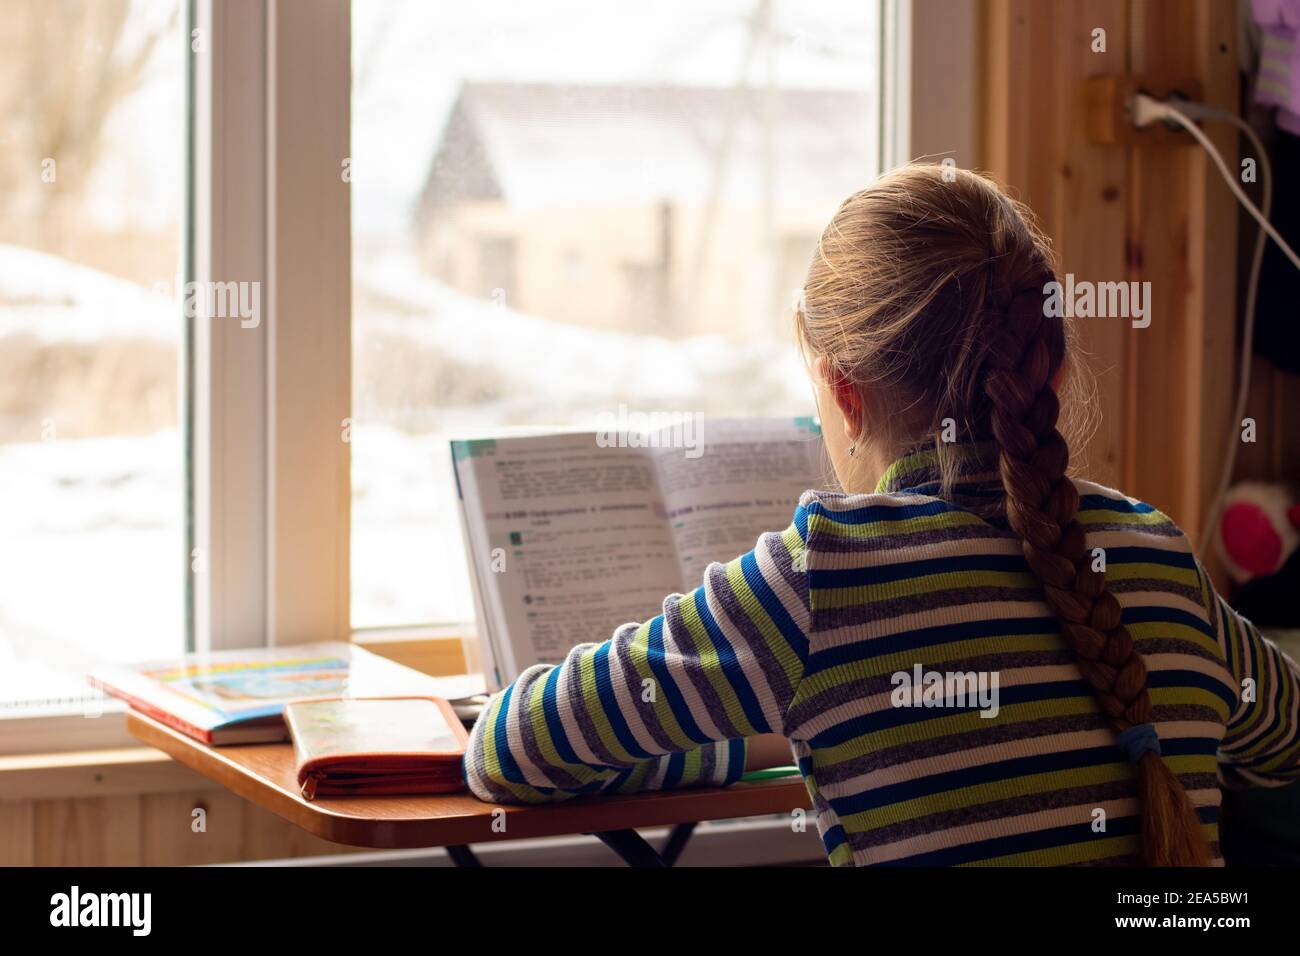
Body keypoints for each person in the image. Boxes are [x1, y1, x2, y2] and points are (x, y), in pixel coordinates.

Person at [463, 164, 1300, 866]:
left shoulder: (820, 579)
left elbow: (512, 749)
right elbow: (1286, 739)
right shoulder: (1160, 557)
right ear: (1047, 370)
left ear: (844, 392)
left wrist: (732, 741)